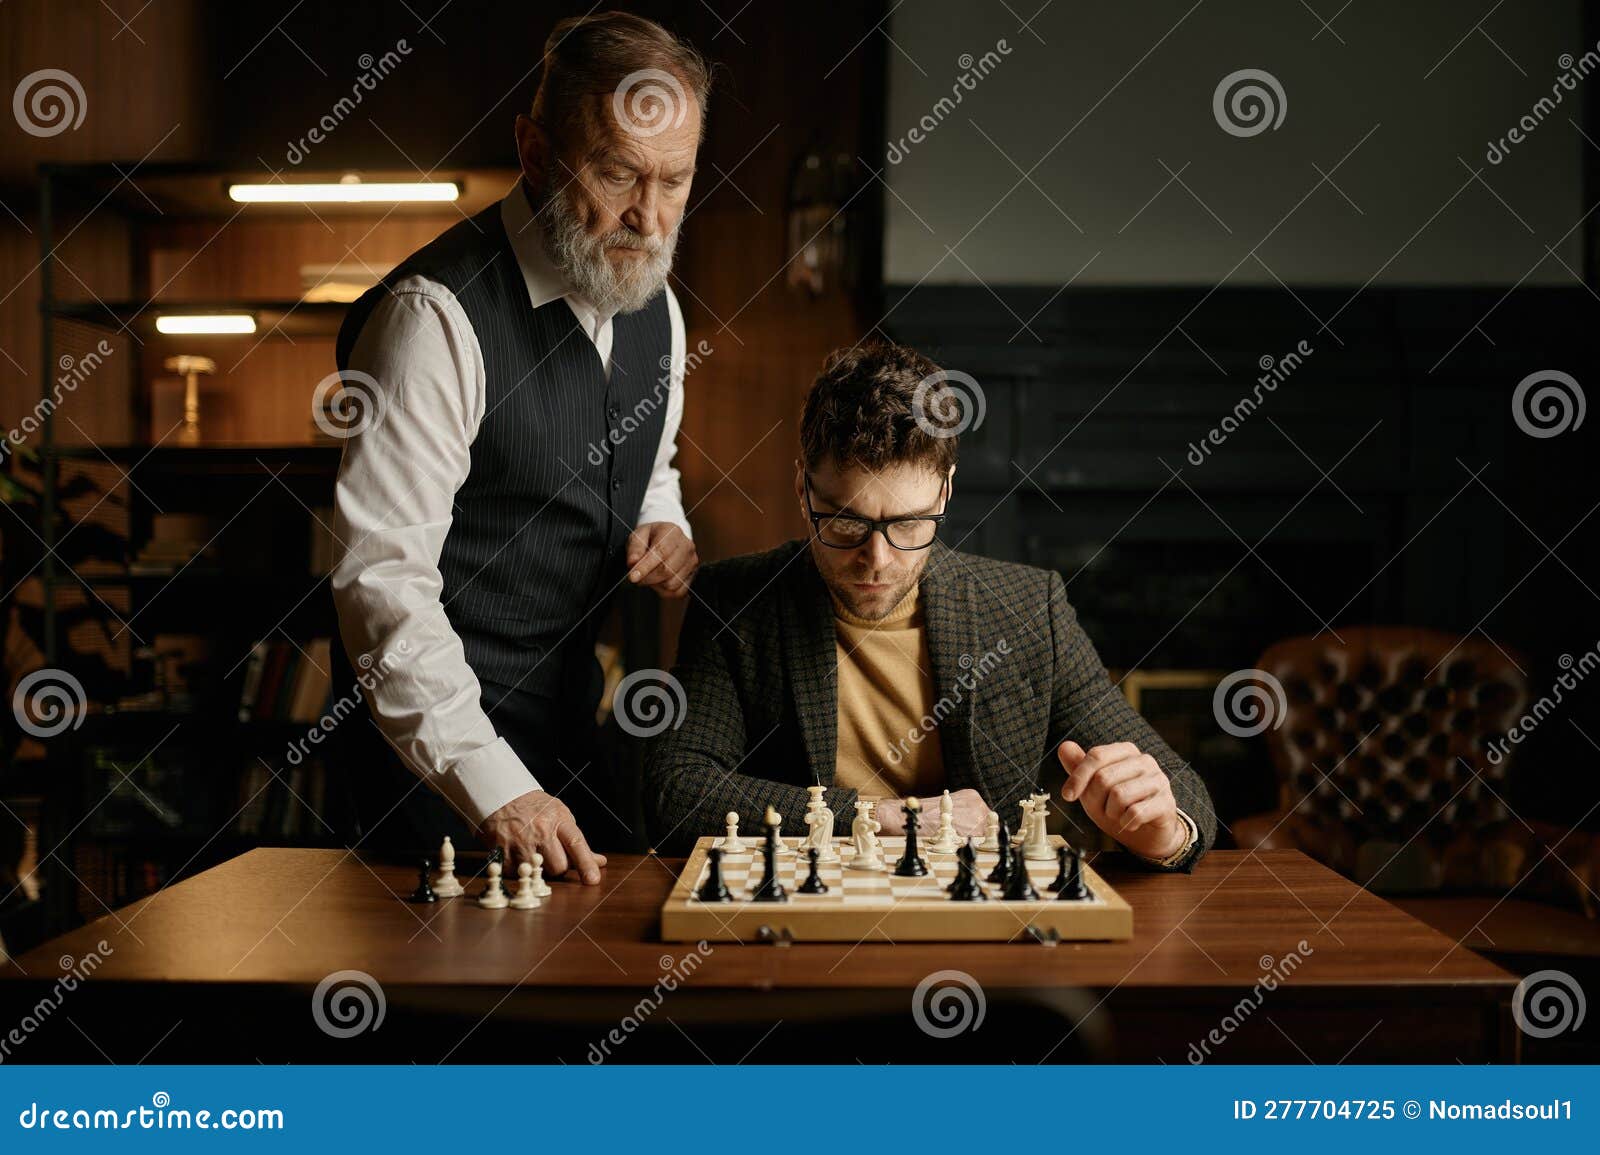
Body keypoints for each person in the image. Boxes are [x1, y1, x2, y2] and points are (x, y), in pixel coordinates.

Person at [330, 13, 707, 883]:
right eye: (618, 174)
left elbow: (653, 462)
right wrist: (496, 785)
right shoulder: (433, 320)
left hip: (574, 747)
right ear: (536, 152)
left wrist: (663, 519)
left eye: (676, 181)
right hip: (428, 783)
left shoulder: (658, 305)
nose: (648, 218)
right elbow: (378, 582)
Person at [645, 341, 1216, 868]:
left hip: (983, 931)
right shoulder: (736, 602)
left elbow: (1180, 789)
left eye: (908, 523)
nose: (878, 559)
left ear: (944, 491)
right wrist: (886, 818)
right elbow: (676, 791)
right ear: (803, 489)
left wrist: (1165, 831)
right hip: (803, 925)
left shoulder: (1024, 608)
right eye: (846, 522)